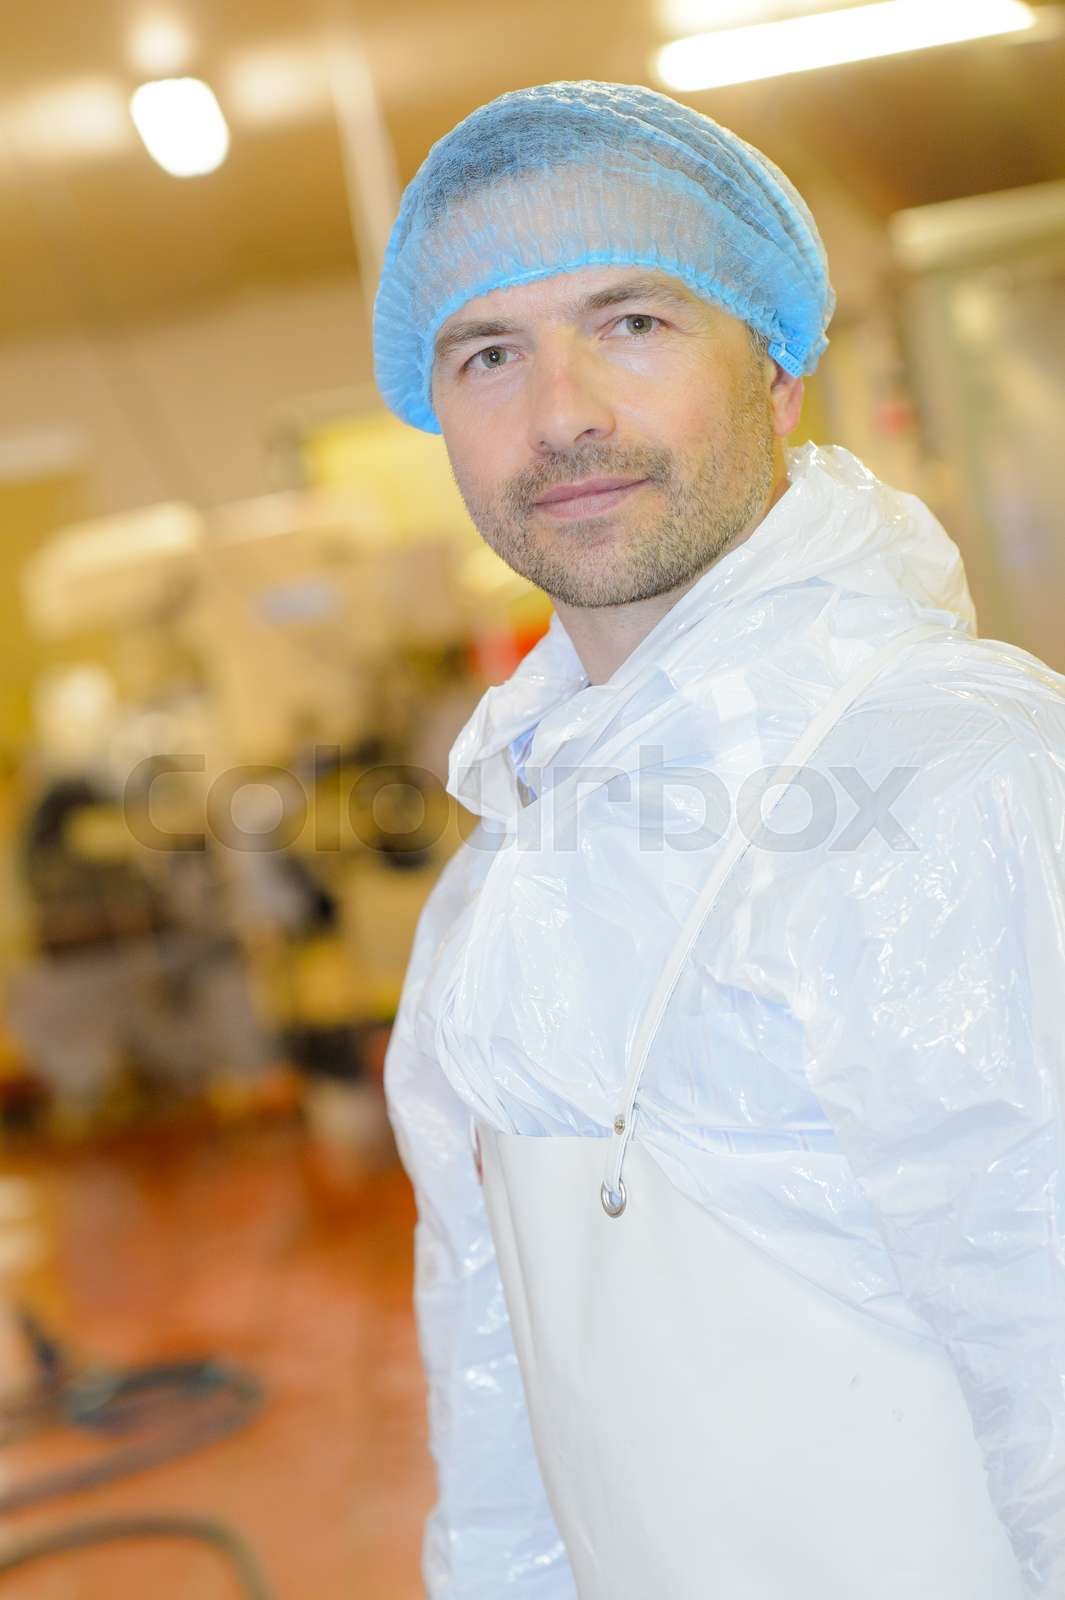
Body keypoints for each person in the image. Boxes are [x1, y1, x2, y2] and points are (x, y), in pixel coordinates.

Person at [373, 82, 1065, 1599]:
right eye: (489, 352)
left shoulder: (956, 783)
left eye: (632, 322)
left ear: (778, 370)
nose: (560, 413)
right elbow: (498, 1405)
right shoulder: (501, 886)